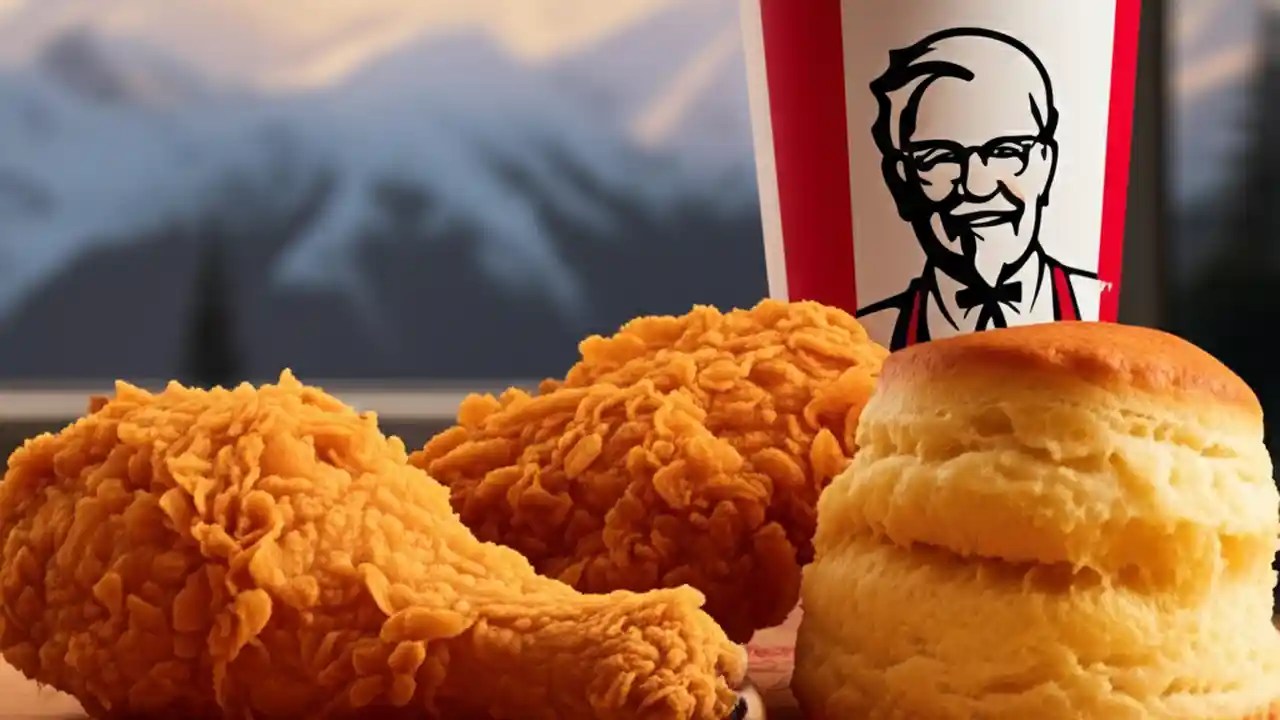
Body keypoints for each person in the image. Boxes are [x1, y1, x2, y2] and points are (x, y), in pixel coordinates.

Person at [856, 27, 1097, 351]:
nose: (977, 186)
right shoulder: (866, 335)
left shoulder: (1101, 307)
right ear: (901, 181)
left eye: (1007, 151)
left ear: (1046, 164)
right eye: (940, 157)